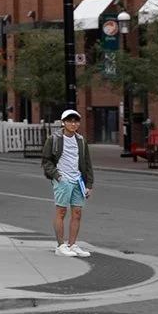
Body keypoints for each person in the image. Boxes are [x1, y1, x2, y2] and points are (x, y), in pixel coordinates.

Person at [41, 108, 93, 256]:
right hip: (62, 179)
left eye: (76, 121)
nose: (73, 123)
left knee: (77, 213)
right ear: (63, 123)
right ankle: (60, 246)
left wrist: (89, 184)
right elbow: (46, 161)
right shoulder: (54, 139)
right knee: (61, 212)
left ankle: (72, 244)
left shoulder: (81, 140)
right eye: (69, 121)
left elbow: (87, 163)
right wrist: (57, 176)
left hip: (78, 180)